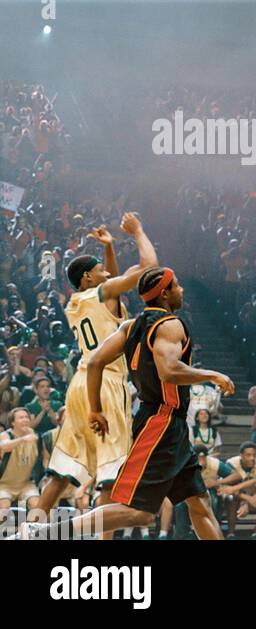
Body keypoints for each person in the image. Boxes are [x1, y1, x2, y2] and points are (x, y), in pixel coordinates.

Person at [20, 267, 235, 541]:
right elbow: (168, 371)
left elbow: (96, 361)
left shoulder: (129, 326)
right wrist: (212, 374)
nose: (181, 290)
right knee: (140, 513)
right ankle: (48, 532)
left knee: (200, 503)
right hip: (162, 422)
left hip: (170, 426)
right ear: (165, 293)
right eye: (177, 285)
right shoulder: (170, 325)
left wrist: (95, 408)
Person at [35, 212, 157, 525]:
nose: (105, 271)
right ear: (88, 277)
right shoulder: (101, 293)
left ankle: (28, 532)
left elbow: (112, 288)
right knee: (110, 475)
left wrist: (109, 250)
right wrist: (138, 232)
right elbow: (148, 269)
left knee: (62, 472)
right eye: (100, 269)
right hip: (105, 381)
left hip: (80, 382)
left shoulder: (78, 301)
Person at [173, 444, 240, 539]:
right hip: (188, 491)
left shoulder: (214, 463)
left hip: (210, 491)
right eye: (199, 457)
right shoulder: (185, 464)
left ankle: (211, 532)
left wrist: (217, 482)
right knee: (180, 505)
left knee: (212, 502)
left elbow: (236, 476)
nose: (202, 460)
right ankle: (182, 535)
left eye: (203, 457)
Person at [0, 408, 40, 516]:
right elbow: (4, 446)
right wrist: (23, 439)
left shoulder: (33, 434)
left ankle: (31, 531)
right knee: (4, 507)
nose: (25, 420)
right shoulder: (5, 435)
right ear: (12, 422)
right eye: (21, 417)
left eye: (27, 417)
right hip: (4, 484)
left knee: (37, 506)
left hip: (25, 483)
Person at [224, 442, 256, 537]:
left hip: (253, 493)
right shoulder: (231, 464)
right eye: (248, 455)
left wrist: (252, 500)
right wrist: (248, 500)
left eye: (254, 455)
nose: (252, 458)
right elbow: (232, 489)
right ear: (241, 455)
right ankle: (231, 534)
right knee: (231, 500)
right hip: (236, 494)